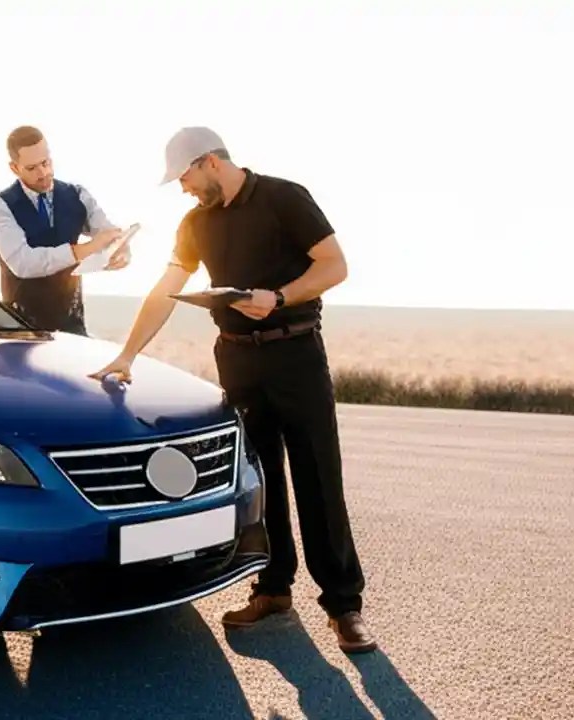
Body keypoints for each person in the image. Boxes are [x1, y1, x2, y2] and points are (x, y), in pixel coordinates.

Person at [89, 126, 376, 654]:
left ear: (211, 162)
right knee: (260, 479)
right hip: (238, 359)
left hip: (296, 354)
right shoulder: (195, 221)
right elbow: (166, 288)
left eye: (185, 177)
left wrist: (279, 296)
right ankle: (272, 588)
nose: (183, 189)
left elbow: (335, 266)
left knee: (317, 477)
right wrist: (127, 353)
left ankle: (344, 606)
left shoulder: (284, 197)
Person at [0, 125, 129, 335]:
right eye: (32, 168)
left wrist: (120, 249)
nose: (43, 173)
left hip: (72, 327)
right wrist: (87, 249)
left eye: (46, 163)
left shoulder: (77, 195)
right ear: (15, 168)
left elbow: (106, 231)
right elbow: (24, 263)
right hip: (19, 331)